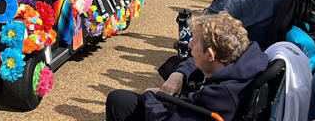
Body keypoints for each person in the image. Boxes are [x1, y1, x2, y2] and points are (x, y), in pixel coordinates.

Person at [105, 12, 269, 121]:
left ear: (211, 55)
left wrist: (151, 96)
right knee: (174, 64)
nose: (189, 45)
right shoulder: (245, 58)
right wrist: (180, 73)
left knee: (118, 100)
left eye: (194, 42)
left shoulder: (220, 94)